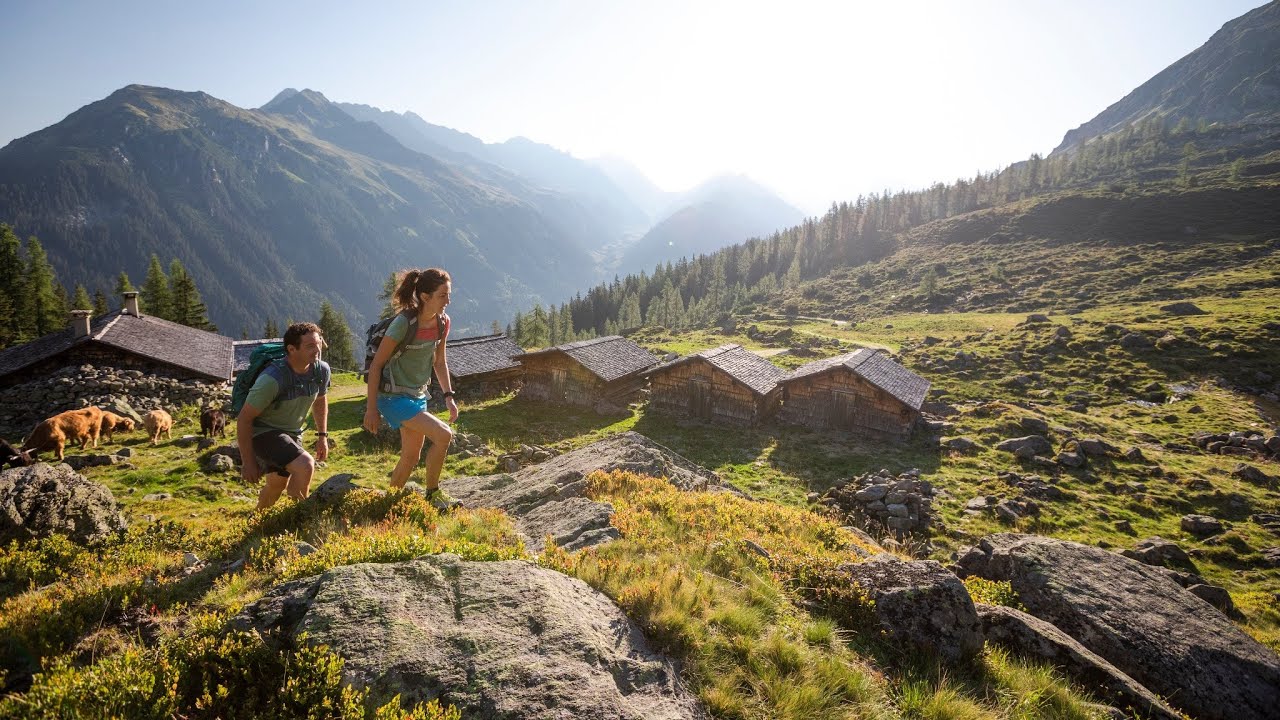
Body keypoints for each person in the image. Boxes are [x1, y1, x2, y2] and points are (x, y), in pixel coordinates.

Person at [363, 268, 459, 508]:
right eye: (443, 295)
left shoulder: (442, 323)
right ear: (425, 297)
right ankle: (433, 493)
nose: (448, 301)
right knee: (443, 435)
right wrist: (371, 409)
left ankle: (387, 505)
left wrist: (449, 396)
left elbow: (439, 362)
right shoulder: (403, 324)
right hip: (392, 397)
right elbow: (375, 367)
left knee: (410, 457)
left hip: (417, 395)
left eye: (449, 294)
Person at [238, 322, 331, 510]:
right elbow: (244, 419)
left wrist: (322, 436)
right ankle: (297, 520)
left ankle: (256, 525)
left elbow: (320, 400)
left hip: (292, 434)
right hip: (263, 433)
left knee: (276, 485)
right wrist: (248, 462)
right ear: (292, 349)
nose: (317, 350)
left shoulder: (321, 370)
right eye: (310, 346)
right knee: (305, 465)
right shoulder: (272, 378)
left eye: (319, 343)